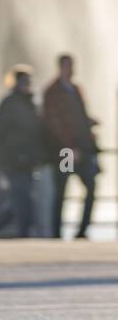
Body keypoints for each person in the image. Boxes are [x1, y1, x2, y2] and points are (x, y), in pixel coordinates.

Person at [42, 53, 100, 239]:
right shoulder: (53, 91)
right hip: (66, 151)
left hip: (81, 148)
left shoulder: (75, 89)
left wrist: (89, 124)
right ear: (61, 67)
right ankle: (56, 232)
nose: (72, 70)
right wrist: (70, 147)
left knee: (90, 186)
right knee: (62, 188)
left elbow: (79, 116)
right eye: (69, 66)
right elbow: (54, 123)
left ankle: (82, 230)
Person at [0, 65, 46, 238]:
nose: (27, 84)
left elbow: (37, 133)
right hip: (13, 159)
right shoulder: (10, 104)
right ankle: (21, 232)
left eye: (28, 81)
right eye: (23, 81)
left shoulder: (30, 104)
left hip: (28, 160)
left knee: (20, 199)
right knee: (22, 199)